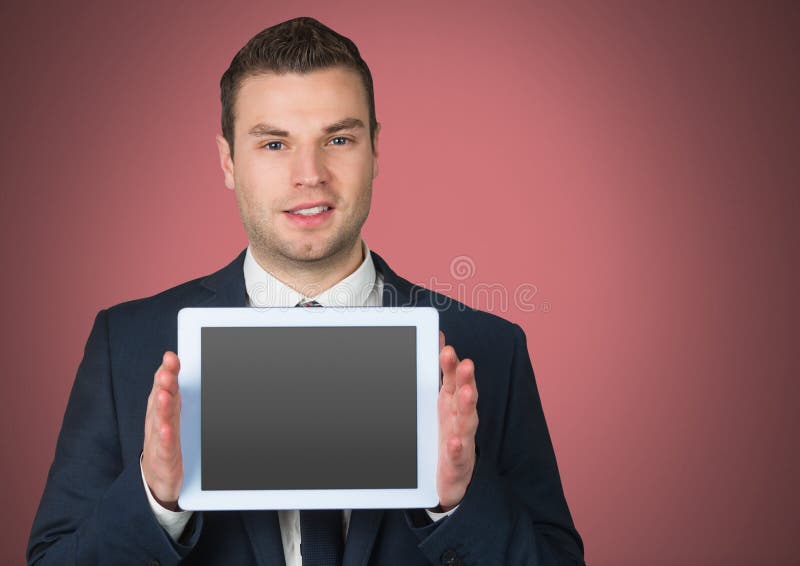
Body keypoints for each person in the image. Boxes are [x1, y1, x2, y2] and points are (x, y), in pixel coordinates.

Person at [27, 17, 584, 566]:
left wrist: (459, 505)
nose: (310, 174)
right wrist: (155, 501)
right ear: (228, 161)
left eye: (338, 139)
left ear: (375, 150)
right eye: (274, 144)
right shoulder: (125, 346)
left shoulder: (489, 349)